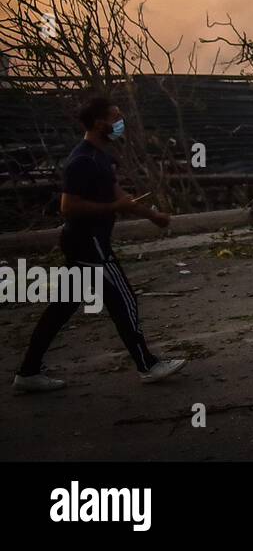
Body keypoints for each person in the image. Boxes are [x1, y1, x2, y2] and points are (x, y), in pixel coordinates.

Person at [13, 97, 187, 393]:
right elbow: (68, 207)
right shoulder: (82, 161)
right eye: (116, 118)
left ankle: (28, 371)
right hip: (88, 243)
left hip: (87, 242)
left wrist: (153, 215)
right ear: (98, 123)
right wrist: (111, 208)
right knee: (124, 300)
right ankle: (147, 364)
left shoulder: (101, 156)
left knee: (62, 307)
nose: (121, 123)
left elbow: (119, 195)